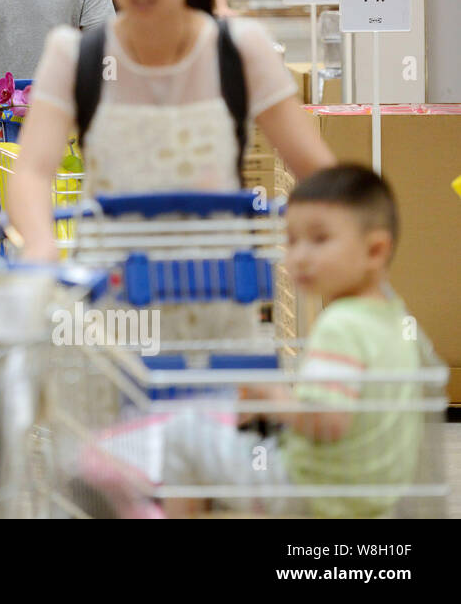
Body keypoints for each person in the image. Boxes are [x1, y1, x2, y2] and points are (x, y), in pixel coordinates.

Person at [5, 0, 335, 262]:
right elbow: (31, 171)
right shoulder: (74, 55)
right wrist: (39, 243)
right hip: (112, 299)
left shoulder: (242, 49)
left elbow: (315, 170)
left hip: (217, 298)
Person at [162, 165, 426, 518]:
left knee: (184, 433)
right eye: (291, 240)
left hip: (308, 489)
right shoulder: (394, 320)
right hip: (372, 498)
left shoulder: (341, 325)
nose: (299, 256)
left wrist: (275, 398)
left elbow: (328, 422)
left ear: (375, 251)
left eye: (319, 239)